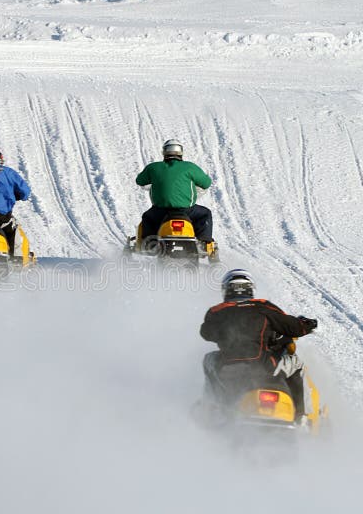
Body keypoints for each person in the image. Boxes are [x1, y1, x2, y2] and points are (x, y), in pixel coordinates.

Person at [199, 269, 318, 422]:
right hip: (264, 366)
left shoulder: (217, 311)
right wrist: (308, 325)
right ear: (250, 288)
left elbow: (206, 333)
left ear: (226, 289)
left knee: (208, 359)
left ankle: (210, 410)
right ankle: (302, 417)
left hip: (227, 367)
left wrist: (226, 331)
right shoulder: (263, 307)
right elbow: (294, 327)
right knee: (297, 364)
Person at [135, 139, 214, 247]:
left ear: (164, 152)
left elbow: (139, 181)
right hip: (187, 211)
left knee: (147, 217)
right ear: (181, 152)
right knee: (205, 214)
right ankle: (204, 242)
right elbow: (206, 183)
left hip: (160, 211)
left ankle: (149, 244)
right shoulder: (190, 167)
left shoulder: (153, 167)